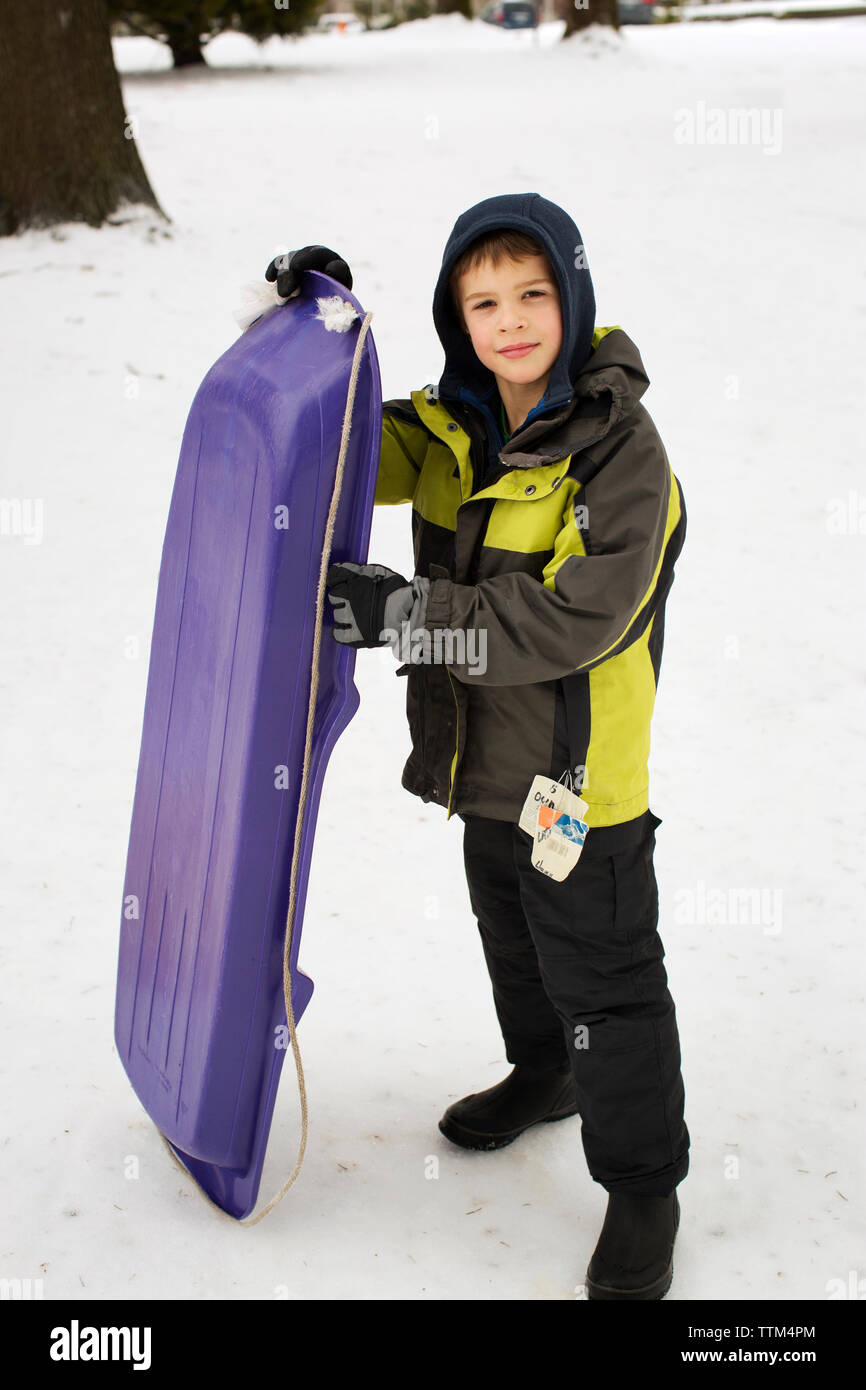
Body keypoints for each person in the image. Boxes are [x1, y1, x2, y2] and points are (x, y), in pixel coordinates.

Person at [266, 192, 689, 1300]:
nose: (510, 321)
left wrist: (408, 615)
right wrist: (312, 331)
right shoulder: (452, 425)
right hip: (482, 763)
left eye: (532, 294)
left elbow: (574, 619)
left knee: (605, 981)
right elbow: (343, 444)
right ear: (457, 319)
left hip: (579, 783)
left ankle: (644, 1188)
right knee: (510, 933)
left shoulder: (621, 453)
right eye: (483, 302)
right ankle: (545, 1071)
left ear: (572, 298)